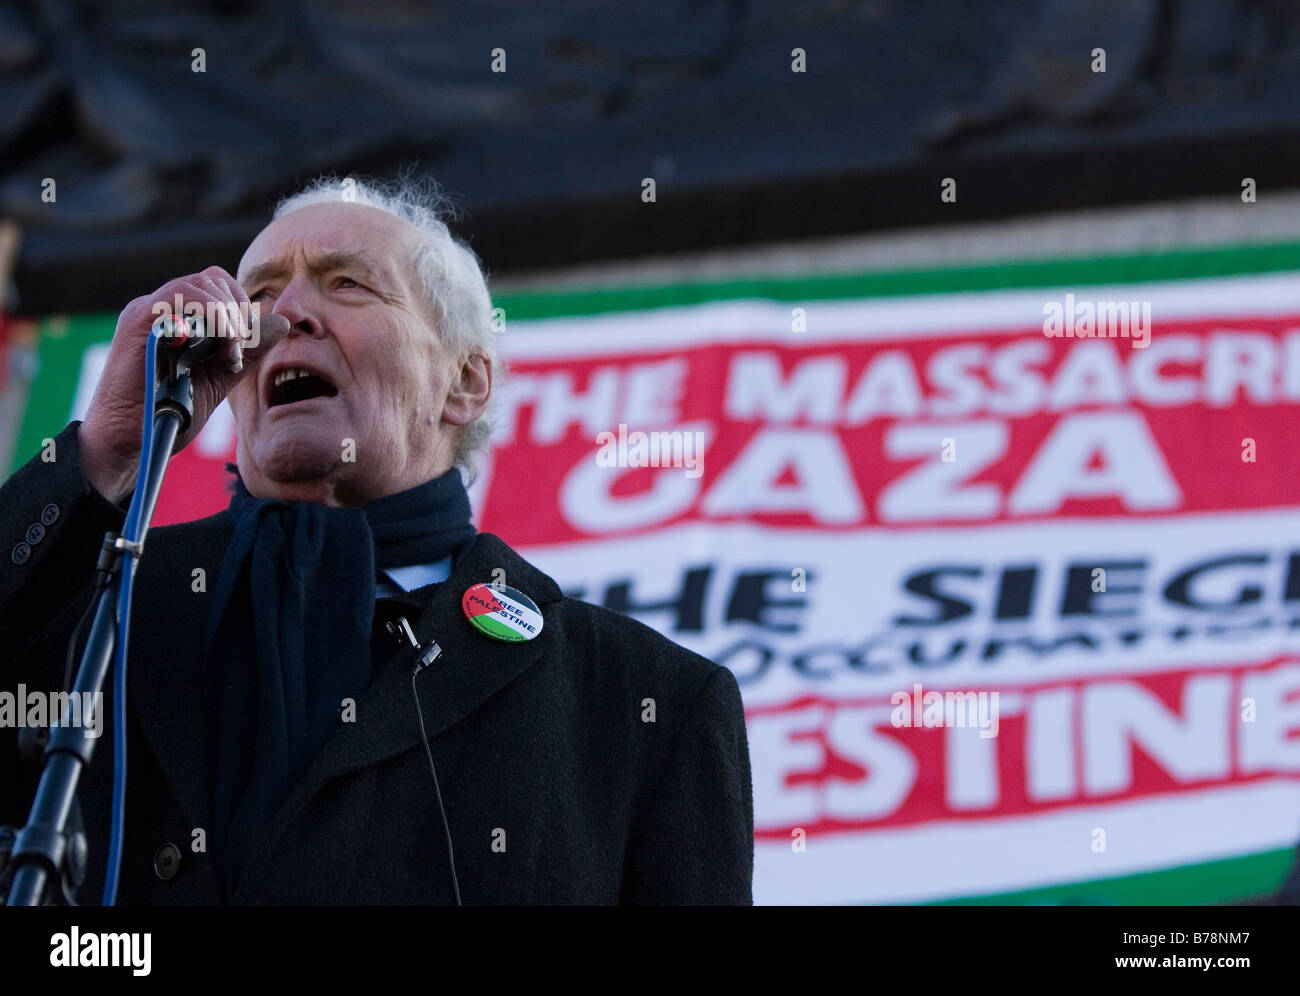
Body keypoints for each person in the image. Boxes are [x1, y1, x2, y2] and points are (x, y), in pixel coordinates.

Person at [0, 175, 754, 905]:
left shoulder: (644, 702)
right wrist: (104, 449)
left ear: (465, 381)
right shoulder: (108, 612)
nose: (284, 314)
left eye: (347, 283)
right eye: (258, 295)